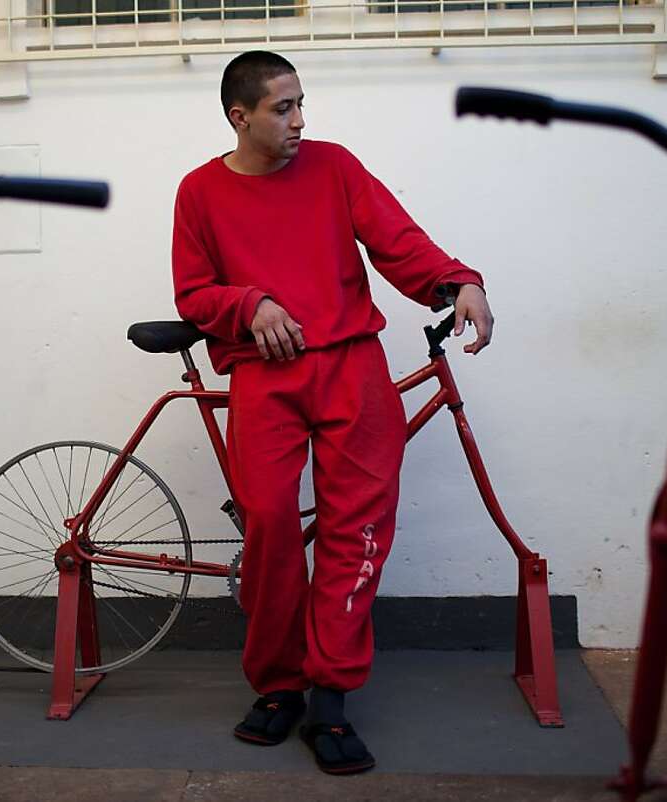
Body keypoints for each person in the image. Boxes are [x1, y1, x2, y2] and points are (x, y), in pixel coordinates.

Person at [171, 50, 493, 775]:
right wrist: (250, 303)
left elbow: (396, 240)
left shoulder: (334, 167)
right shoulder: (198, 192)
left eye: (300, 104)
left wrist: (455, 281)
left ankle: (331, 696)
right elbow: (193, 294)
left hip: (353, 367)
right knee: (271, 525)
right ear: (239, 116)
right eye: (283, 108)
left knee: (358, 525)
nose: (299, 120)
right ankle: (278, 684)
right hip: (266, 378)